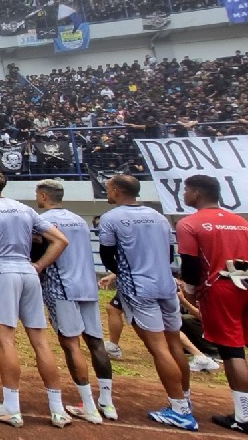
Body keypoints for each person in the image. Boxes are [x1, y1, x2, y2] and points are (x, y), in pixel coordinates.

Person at [0, 167, 71, 428]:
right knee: (41, 342)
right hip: (28, 271)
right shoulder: (25, 209)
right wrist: (40, 265)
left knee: (6, 340)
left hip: (3, 272)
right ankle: (57, 409)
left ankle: (11, 407)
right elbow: (60, 240)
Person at [99, 173, 195, 430]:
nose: (107, 192)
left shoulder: (111, 218)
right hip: (165, 284)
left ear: (117, 191)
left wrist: (122, 272)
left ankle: (180, 409)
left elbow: (108, 256)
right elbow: (170, 252)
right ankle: (185, 400)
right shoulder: (159, 217)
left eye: (108, 188)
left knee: (158, 348)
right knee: (174, 344)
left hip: (138, 287)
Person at [33, 178, 118, 423]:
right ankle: (107, 402)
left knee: (71, 344)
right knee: (96, 342)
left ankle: (89, 406)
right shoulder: (79, 219)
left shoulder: (44, 222)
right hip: (87, 285)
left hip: (62, 286)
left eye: (38, 194)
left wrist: (37, 266)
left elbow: (38, 250)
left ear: (44, 195)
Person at [176, 174, 248, 432]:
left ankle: (244, 415)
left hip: (221, 287)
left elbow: (191, 266)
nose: (184, 195)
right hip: (245, 281)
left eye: (185, 191)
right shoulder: (240, 221)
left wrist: (190, 293)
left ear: (196, 193)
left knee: (232, 350)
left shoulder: (189, 224)